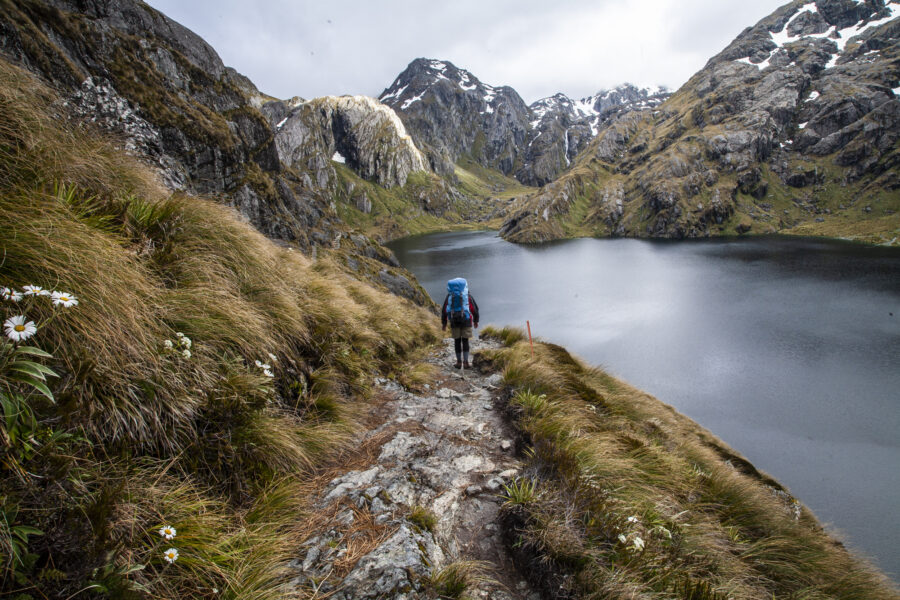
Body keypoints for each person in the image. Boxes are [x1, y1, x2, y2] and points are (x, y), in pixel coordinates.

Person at [441, 277, 479, 369]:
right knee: (465, 341)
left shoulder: (450, 296)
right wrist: (475, 320)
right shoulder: (467, 295)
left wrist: (444, 323)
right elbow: (474, 308)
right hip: (466, 320)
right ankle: (466, 363)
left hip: (454, 320)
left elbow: (444, 310)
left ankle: (458, 362)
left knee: (457, 341)